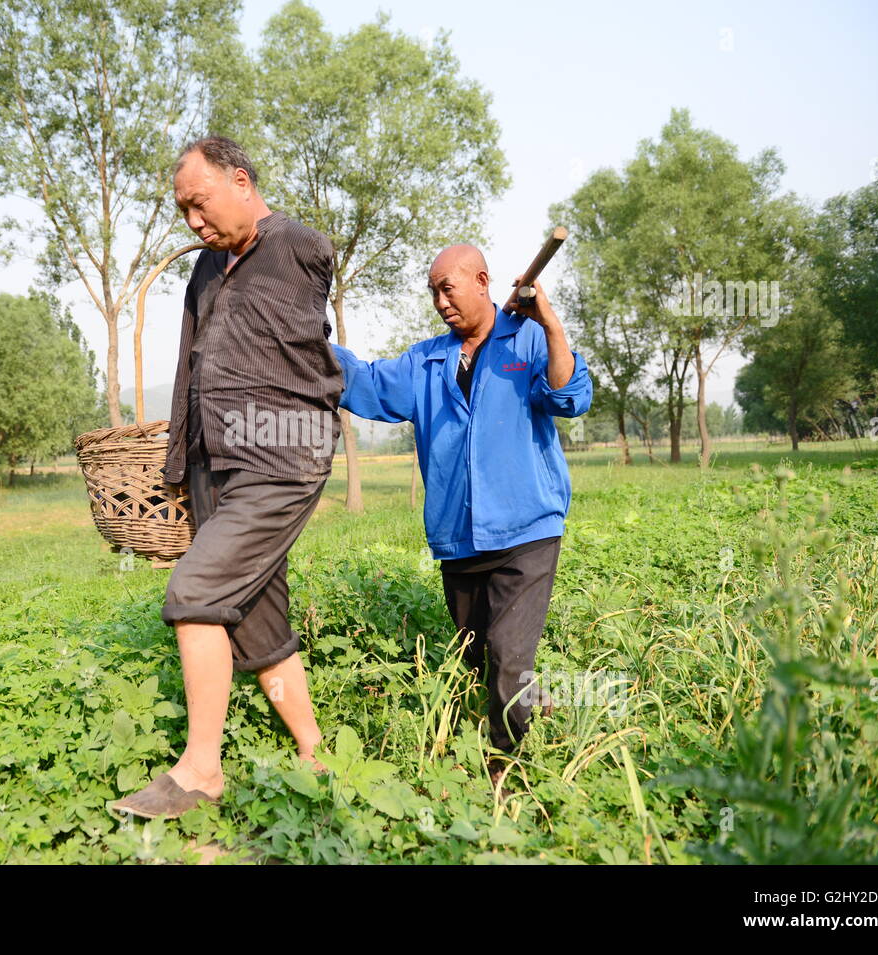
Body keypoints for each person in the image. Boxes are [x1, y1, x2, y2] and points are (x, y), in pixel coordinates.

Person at [109, 136, 342, 820]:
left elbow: (313, 271)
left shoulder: (296, 245)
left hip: (281, 456)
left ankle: (201, 769)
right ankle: (315, 751)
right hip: (218, 461)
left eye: (200, 202)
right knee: (259, 618)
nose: (192, 221)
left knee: (196, 590)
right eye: (181, 209)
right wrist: (180, 462)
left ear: (241, 181)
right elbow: (190, 365)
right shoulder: (206, 269)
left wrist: (253, 246)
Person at [331, 244, 592, 774]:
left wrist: (550, 323)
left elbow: (571, 397)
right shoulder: (426, 359)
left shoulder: (526, 341)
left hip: (526, 530)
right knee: (478, 655)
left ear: (481, 281)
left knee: (507, 655)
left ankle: (507, 770)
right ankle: (532, 704)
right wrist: (304, 341)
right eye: (432, 291)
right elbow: (369, 383)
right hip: (459, 536)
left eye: (447, 288)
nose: (439, 300)